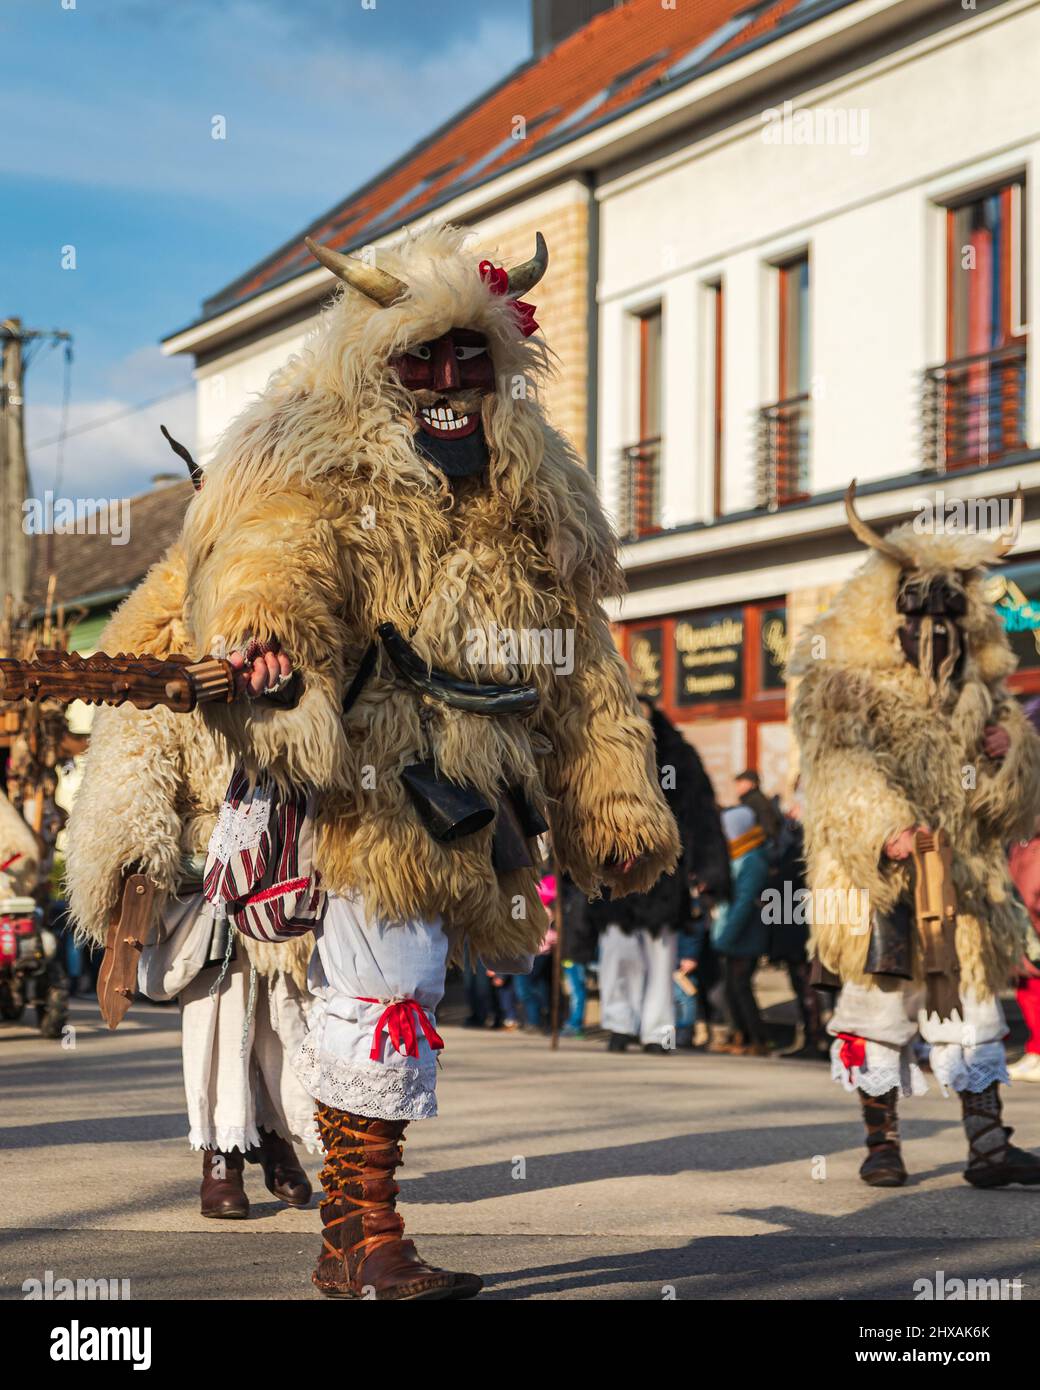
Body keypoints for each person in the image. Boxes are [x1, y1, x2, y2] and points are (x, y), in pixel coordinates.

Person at [175, 226, 680, 1299]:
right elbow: (279, 549)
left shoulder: (535, 482)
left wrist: (610, 795)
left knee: (403, 986)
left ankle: (346, 1239)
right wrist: (267, 631)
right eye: (422, 360)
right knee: (384, 985)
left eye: (470, 359)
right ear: (379, 362)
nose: (449, 382)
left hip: (476, 778)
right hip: (368, 772)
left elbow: (581, 658)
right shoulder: (321, 450)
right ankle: (366, 1237)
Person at [792, 482, 1040, 1188]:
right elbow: (838, 767)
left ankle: (988, 1145)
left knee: (975, 1006)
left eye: (949, 621)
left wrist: (1010, 753)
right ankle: (882, 1145)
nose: (934, 635)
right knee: (876, 1006)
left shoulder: (982, 694)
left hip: (964, 880)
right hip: (880, 882)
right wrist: (889, 831)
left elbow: (1009, 809)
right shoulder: (840, 682)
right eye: (918, 617)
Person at [66, 542, 316, 1220]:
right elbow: (132, 772)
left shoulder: (289, 659)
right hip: (202, 876)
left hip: (287, 862)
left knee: (285, 1013)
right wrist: (140, 864)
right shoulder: (161, 672)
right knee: (219, 1012)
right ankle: (220, 1153)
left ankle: (280, 1138)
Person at [591, 698, 729, 1054]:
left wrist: (707, 868)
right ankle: (620, 1024)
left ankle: (657, 1030)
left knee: (660, 954)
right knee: (618, 952)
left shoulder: (679, 759)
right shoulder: (607, 753)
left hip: (663, 870)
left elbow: (701, 817)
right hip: (616, 867)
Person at [766, 794, 826, 1058]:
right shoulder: (794, 844)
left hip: (801, 927)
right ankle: (813, 1038)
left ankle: (816, 1039)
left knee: (808, 984)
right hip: (792, 922)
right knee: (803, 984)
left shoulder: (806, 847)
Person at [710, 805, 771, 1055]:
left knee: (741, 987)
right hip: (731, 933)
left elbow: (744, 902)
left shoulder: (752, 859)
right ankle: (741, 1036)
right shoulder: (736, 855)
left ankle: (756, 1039)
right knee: (732, 988)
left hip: (745, 935)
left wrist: (726, 936)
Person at [733, 769, 783, 844]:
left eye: (740, 782)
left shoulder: (755, 800)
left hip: (761, 844)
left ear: (751, 783)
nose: (737, 786)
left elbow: (768, 825)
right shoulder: (751, 799)